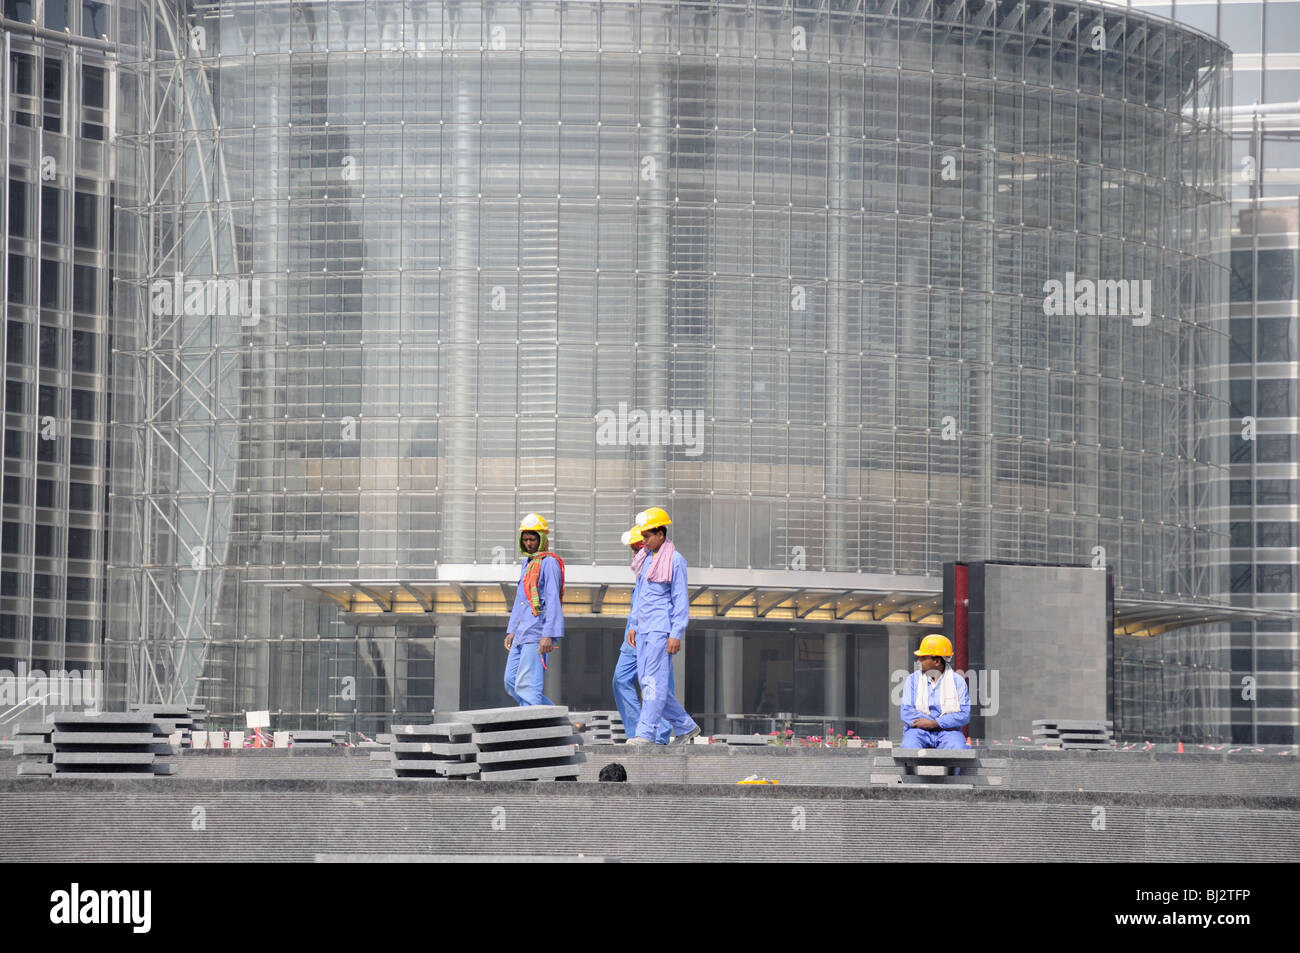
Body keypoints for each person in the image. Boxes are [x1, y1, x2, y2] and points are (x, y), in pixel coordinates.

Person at [625, 507, 701, 746]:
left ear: (661, 534)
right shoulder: (644, 559)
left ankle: (645, 733)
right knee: (648, 680)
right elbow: (640, 596)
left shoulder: (676, 561)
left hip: (661, 629)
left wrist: (676, 633)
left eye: (647, 536)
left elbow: (680, 600)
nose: (644, 541)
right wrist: (634, 624)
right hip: (644, 629)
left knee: (653, 682)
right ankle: (685, 726)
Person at [611, 526, 673, 744]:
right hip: (634, 635)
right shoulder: (641, 570)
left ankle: (659, 735)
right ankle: (638, 731)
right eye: (633, 548)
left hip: (656, 632)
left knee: (659, 685)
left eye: (637, 546)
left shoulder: (665, 564)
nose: (635, 552)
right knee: (620, 680)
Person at [503, 513, 565, 706]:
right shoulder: (527, 563)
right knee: (511, 682)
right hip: (521, 632)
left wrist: (549, 634)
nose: (528, 543)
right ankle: (558, 719)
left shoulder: (549, 563)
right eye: (525, 539)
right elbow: (520, 600)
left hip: (536, 632)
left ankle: (536, 730)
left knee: (528, 687)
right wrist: (512, 630)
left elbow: (554, 599)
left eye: (532, 539)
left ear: (542, 539)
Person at [899, 633, 969, 749]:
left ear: (936, 661)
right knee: (909, 747)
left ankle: (952, 768)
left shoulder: (958, 682)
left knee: (958, 749)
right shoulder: (912, 680)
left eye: (923, 658)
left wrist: (935, 723)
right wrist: (930, 724)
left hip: (948, 732)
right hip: (919, 730)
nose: (918, 661)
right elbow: (906, 711)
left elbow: (964, 714)